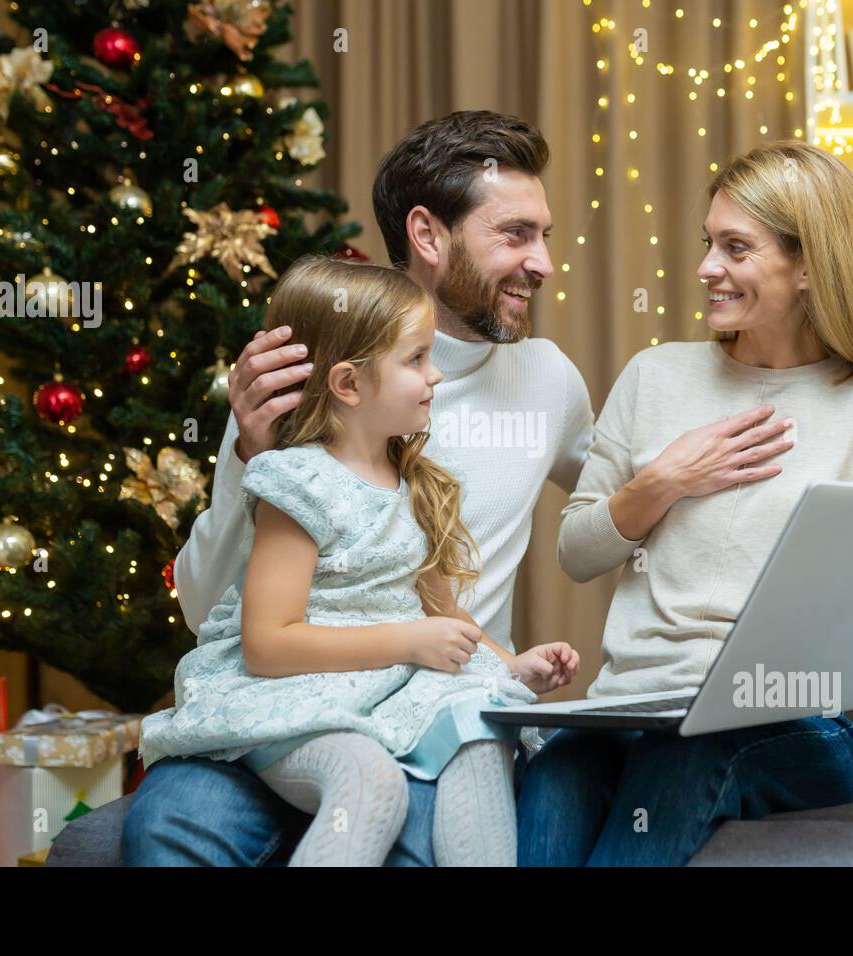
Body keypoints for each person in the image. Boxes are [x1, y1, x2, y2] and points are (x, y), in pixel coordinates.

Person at [516, 140, 853, 866]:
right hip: (633, 703)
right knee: (559, 770)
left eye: (735, 247)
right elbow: (576, 553)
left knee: (686, 758)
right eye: (709, 243)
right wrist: (664, 481)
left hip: (792, 718)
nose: (706, 268)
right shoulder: (655, 377)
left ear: (808, 264)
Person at [123, 111, 594, 866]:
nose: (542, 263)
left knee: (429, 835)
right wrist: (246, 454)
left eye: (544, 235)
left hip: (423, 699)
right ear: (429, 236)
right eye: (516, 234)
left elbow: (605, 511)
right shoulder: (296, 382)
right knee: (169, 827)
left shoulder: (546, 379)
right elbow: (209, 608)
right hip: (285, 704)